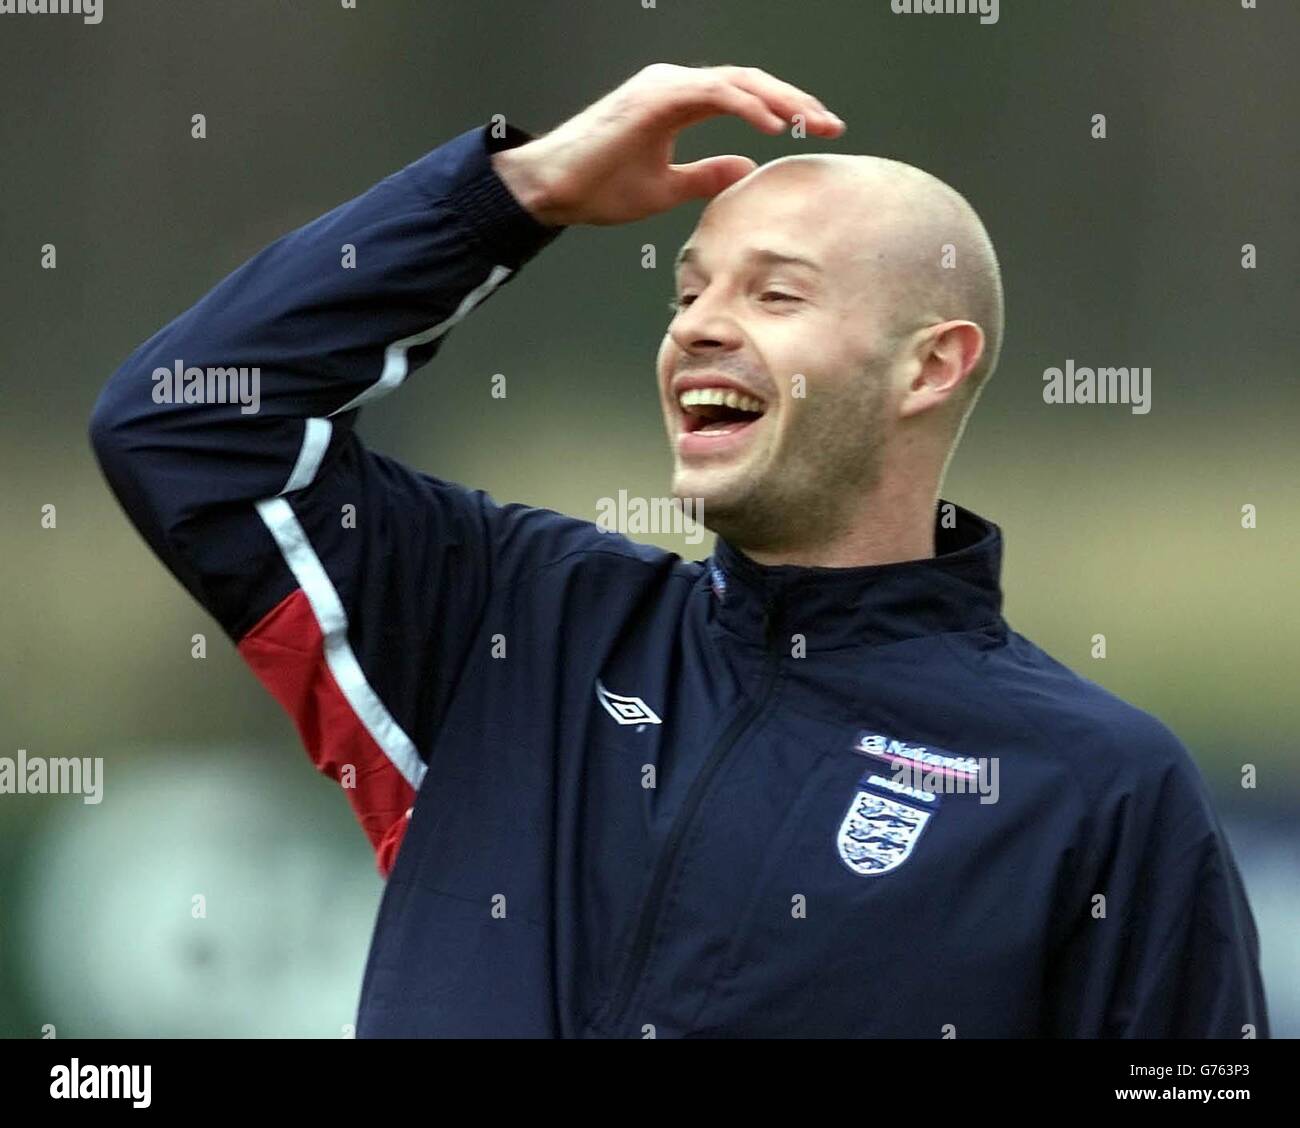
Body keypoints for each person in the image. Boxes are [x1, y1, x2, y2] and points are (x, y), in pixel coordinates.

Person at [90, 63, 1268, 1038]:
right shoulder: (516, 625)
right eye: (687, 291)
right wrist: (517, 192)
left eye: (775, 295)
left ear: (930, 366)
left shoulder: (1098, 784)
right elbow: (185, 426)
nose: (700, 323)